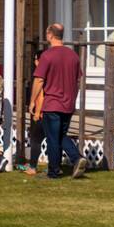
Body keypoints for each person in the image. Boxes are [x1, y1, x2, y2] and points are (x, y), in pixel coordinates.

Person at [31, 23, 87, 180]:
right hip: (68, 103)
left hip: (52, 103)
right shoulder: (73, 56)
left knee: (52, 138)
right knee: (61, 135)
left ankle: (53, 172)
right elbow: (77, 80)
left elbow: (39, 80)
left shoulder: (47, 56)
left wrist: (33, 101)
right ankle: (76, 158)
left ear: (50, 35)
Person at [18, 49, 46, 175]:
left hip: (41, 113)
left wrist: (37, 112)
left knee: (35, 140)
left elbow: (41, 96)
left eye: (35, 59)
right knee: (54, 139)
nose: (35, 62)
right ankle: (56, 166)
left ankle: (33, 166)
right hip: (52, 112)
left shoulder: (40, 75)